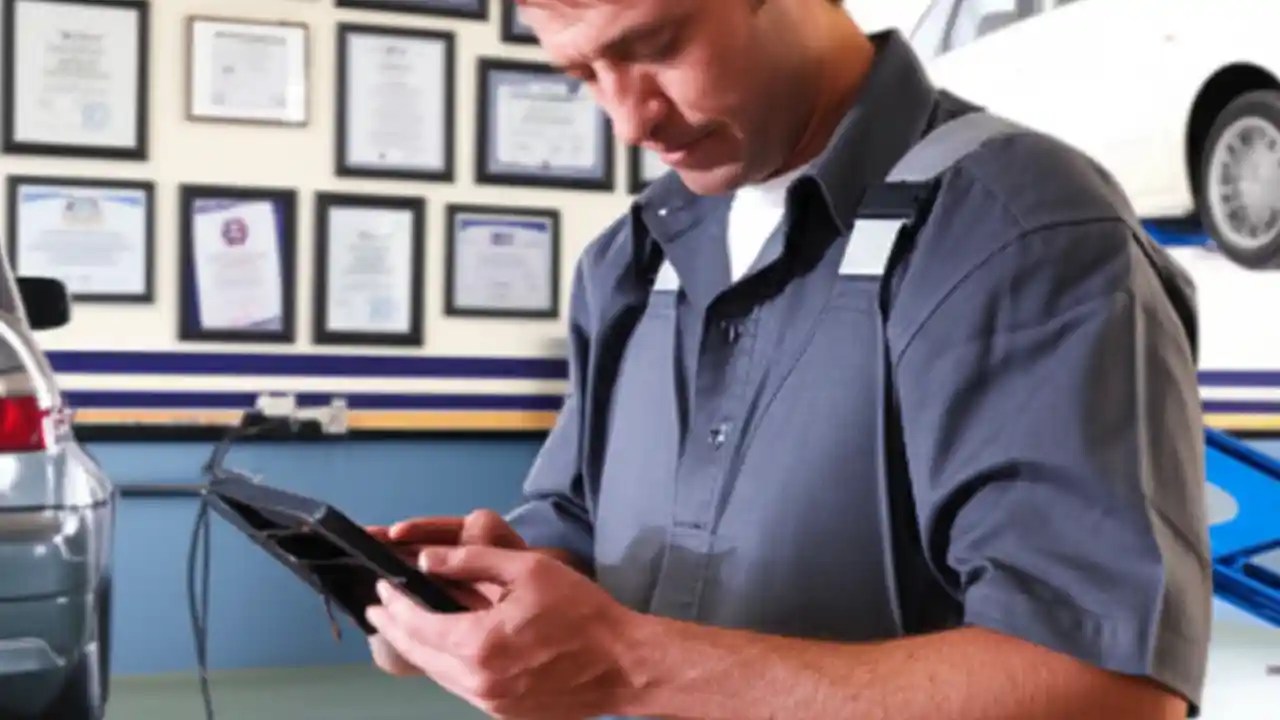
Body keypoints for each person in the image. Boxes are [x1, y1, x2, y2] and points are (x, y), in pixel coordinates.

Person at [364, 1, 1213, 718]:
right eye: (584, 76)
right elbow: (582, 519)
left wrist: (624, 661)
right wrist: (487, 595)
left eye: (655, 48)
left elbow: (1105, 691)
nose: (630, 120)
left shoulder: (1020, 231)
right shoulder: (632, 258)